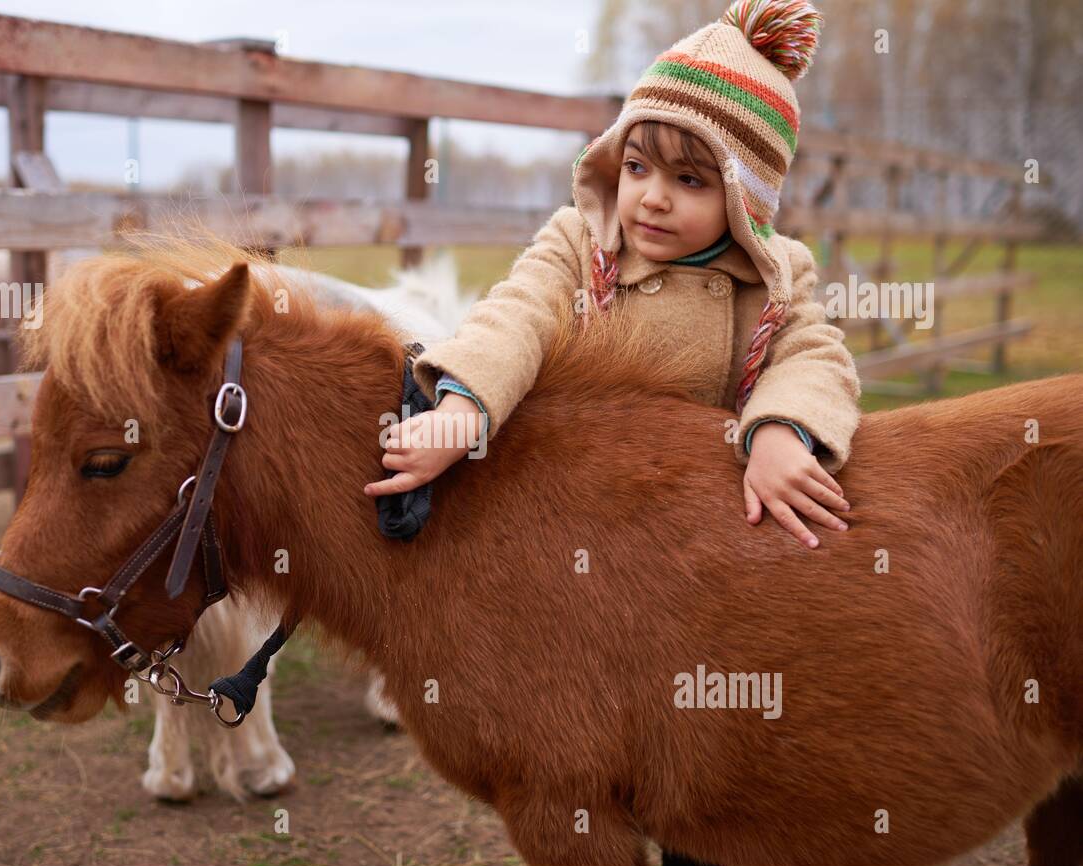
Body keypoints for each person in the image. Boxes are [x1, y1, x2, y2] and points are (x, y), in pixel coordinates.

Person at [364, 0, 861, 552]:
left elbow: (815, 357)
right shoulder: (579, 244)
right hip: (577, 494)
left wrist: (779, 430)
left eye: (690, 180)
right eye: (636, 167)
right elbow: (516, 317)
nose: (652, 198)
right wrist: (461, 412)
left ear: (746, 201)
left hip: (699, 510)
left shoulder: (774, 280)